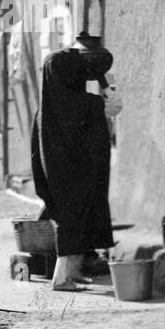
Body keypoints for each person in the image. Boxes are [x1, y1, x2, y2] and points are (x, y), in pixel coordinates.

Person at [31, 38, 118, 291]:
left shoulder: (46, 110)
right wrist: (106, 82)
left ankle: (74, 272)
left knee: (75, 219)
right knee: (71, 221)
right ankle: (61, 279)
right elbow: (113, 104)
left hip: (62, 175)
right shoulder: (84, 105)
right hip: (71, 175)